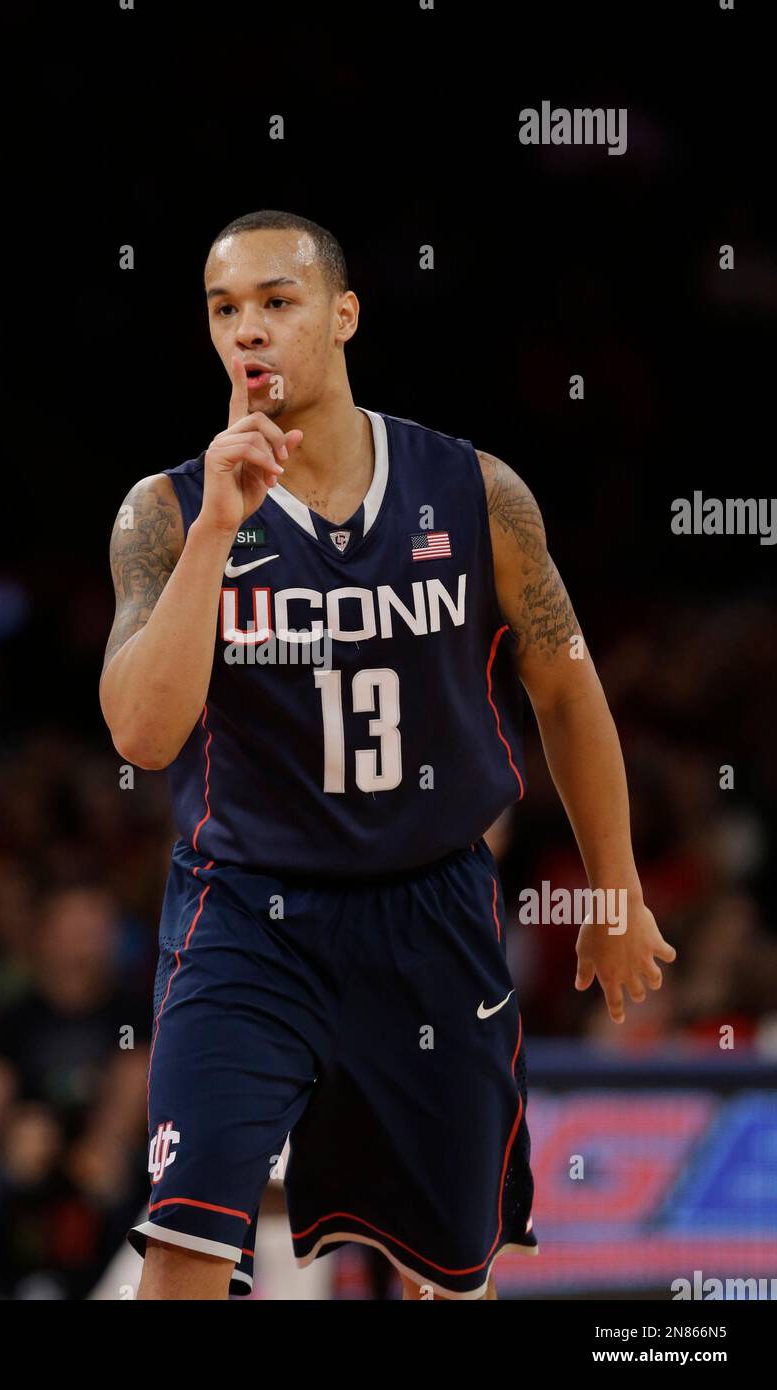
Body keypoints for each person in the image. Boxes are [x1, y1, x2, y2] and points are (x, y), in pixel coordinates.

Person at [98, 209, 676, 1300]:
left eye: (279, 301)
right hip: (247, 918)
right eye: (227, 310)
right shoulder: (168, 512)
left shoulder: (475, 491)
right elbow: (140, 733)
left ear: (344, 313)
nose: (250, 332)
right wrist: (222, 529)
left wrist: (616, 887)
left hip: (434, 913)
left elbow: (565, 685)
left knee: (449, 1275)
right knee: (183, 1248)